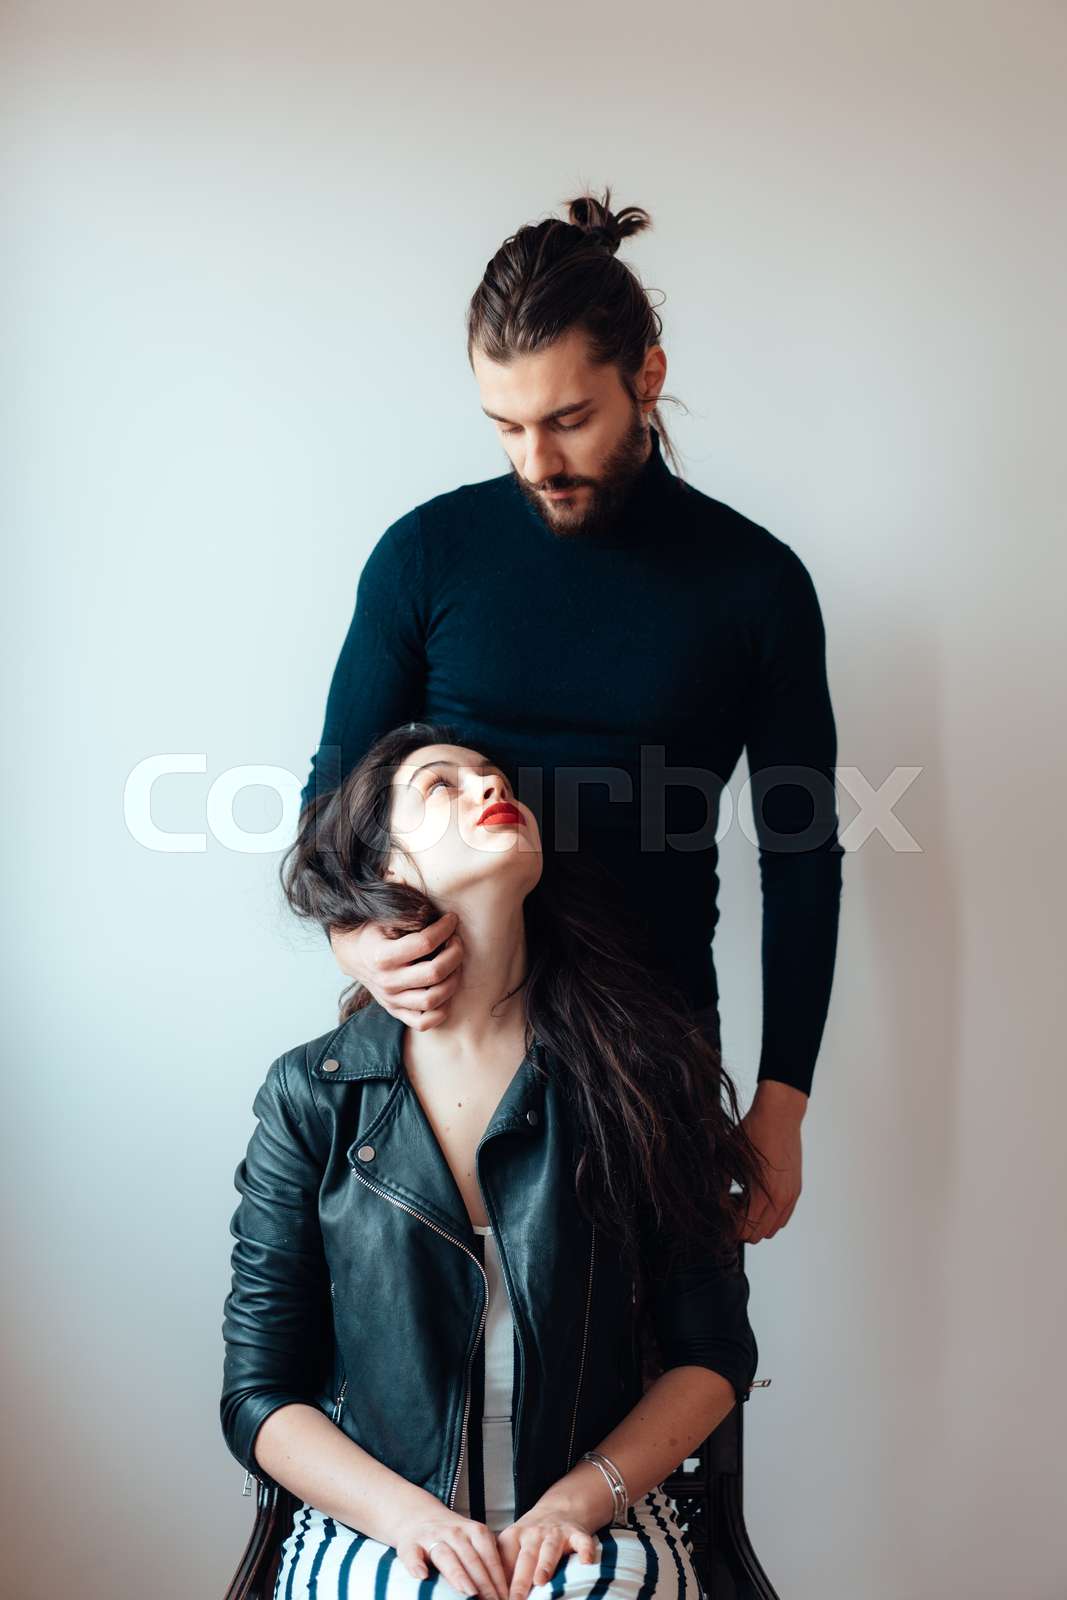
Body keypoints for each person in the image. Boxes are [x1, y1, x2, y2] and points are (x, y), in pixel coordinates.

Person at [299, 187, 844, 1247]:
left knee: (673, 1379)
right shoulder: (424, 555)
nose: (535, 462)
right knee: (417, 1391)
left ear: (646, 378)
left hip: (651, 1062)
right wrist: (352, 939)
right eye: (504, 425)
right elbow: (335, 792)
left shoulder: (755, 584)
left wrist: (781, 1101)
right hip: (438, 1045)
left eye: (566, 419)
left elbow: (803, 854)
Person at [221, 723, 766, 1600]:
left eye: (494, 777)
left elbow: (711, 1353)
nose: (485, 787)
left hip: (602, 1521)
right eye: (441, 785)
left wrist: (574, 1506)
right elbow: (258, 1393)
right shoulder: (311, 1094)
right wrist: (411, 1522)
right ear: (385, 868)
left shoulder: (642, 1073)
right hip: (376, 1528)